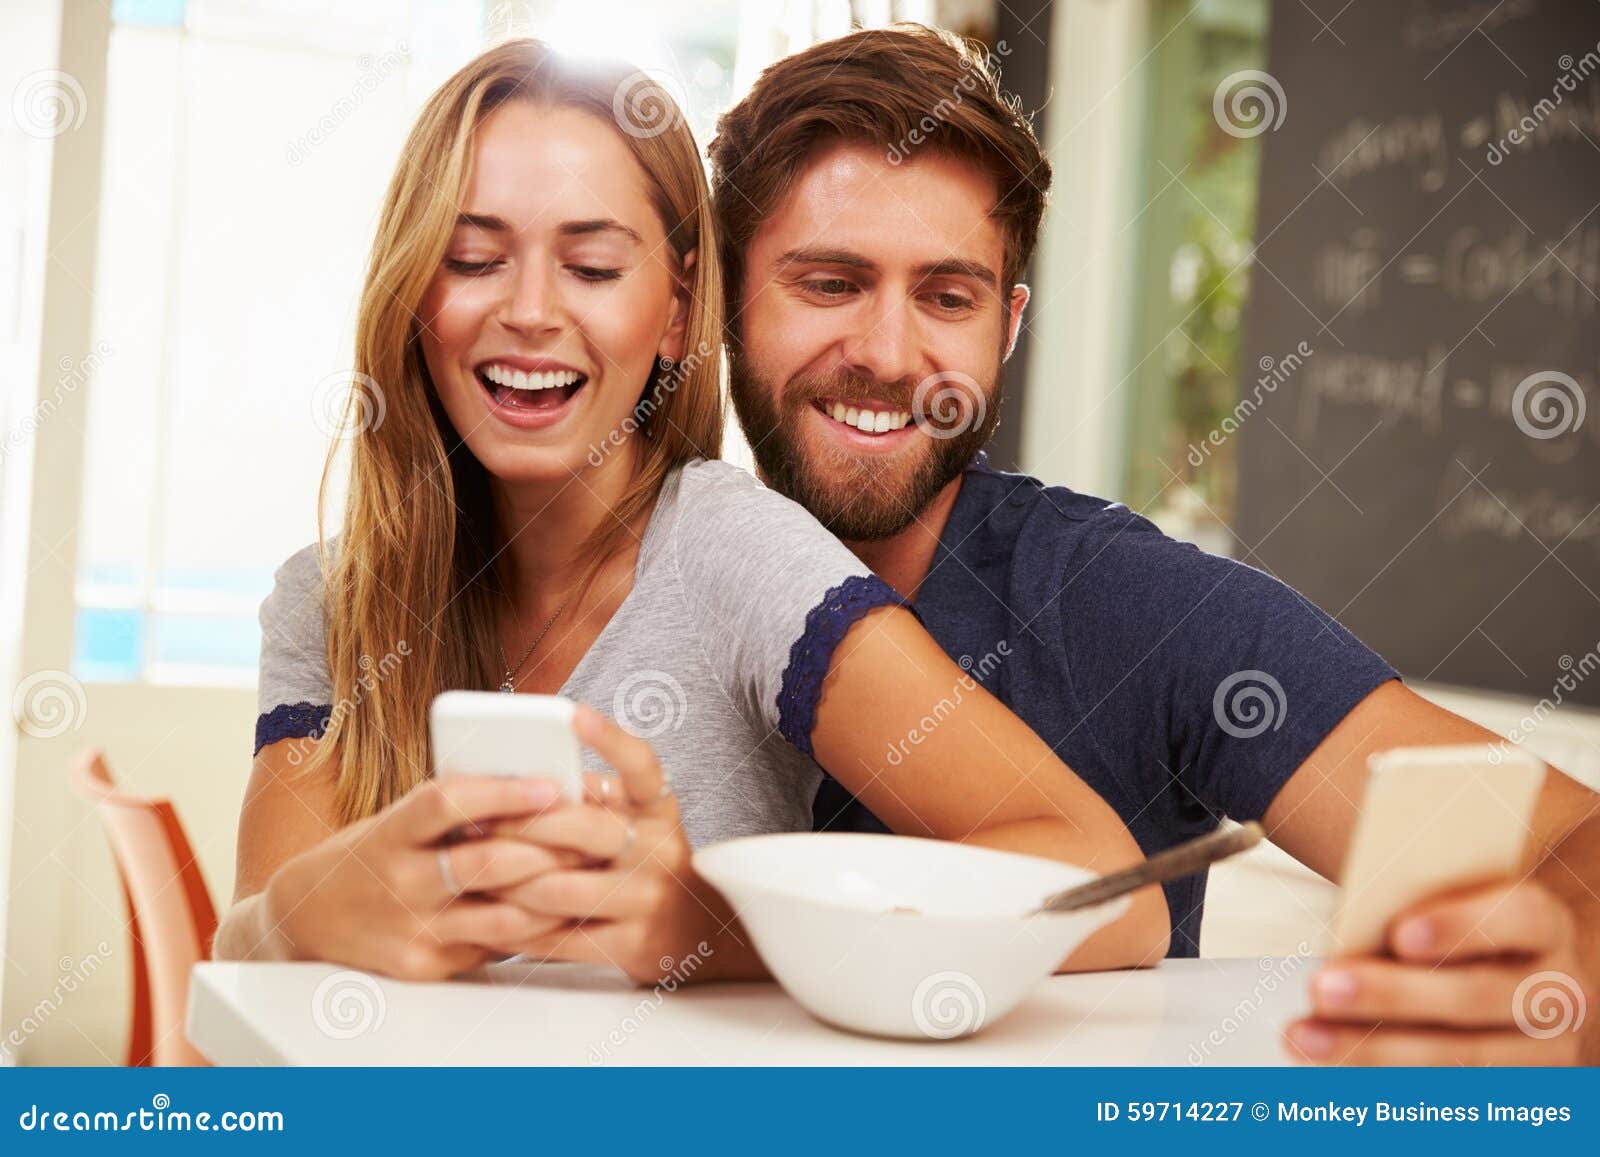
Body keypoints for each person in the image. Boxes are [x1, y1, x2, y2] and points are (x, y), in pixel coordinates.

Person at [708, 24, 1599, 1064]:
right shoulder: (629, 572)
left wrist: (1567, 953)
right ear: (723, 299)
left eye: (948, 297)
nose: (888, 353)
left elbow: (1557, 837)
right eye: (829, 283)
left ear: (1008, 325)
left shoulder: (1123, 603)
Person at [211, 38, 1173, 989]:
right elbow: (244, 953)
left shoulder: (732, 551)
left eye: (592, 268)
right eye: (472, 258)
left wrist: (707, 924)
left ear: (676, 314)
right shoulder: (334, 600)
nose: (533, 310)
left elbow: (1115, 891)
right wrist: (300, 919)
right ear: (415, 290)